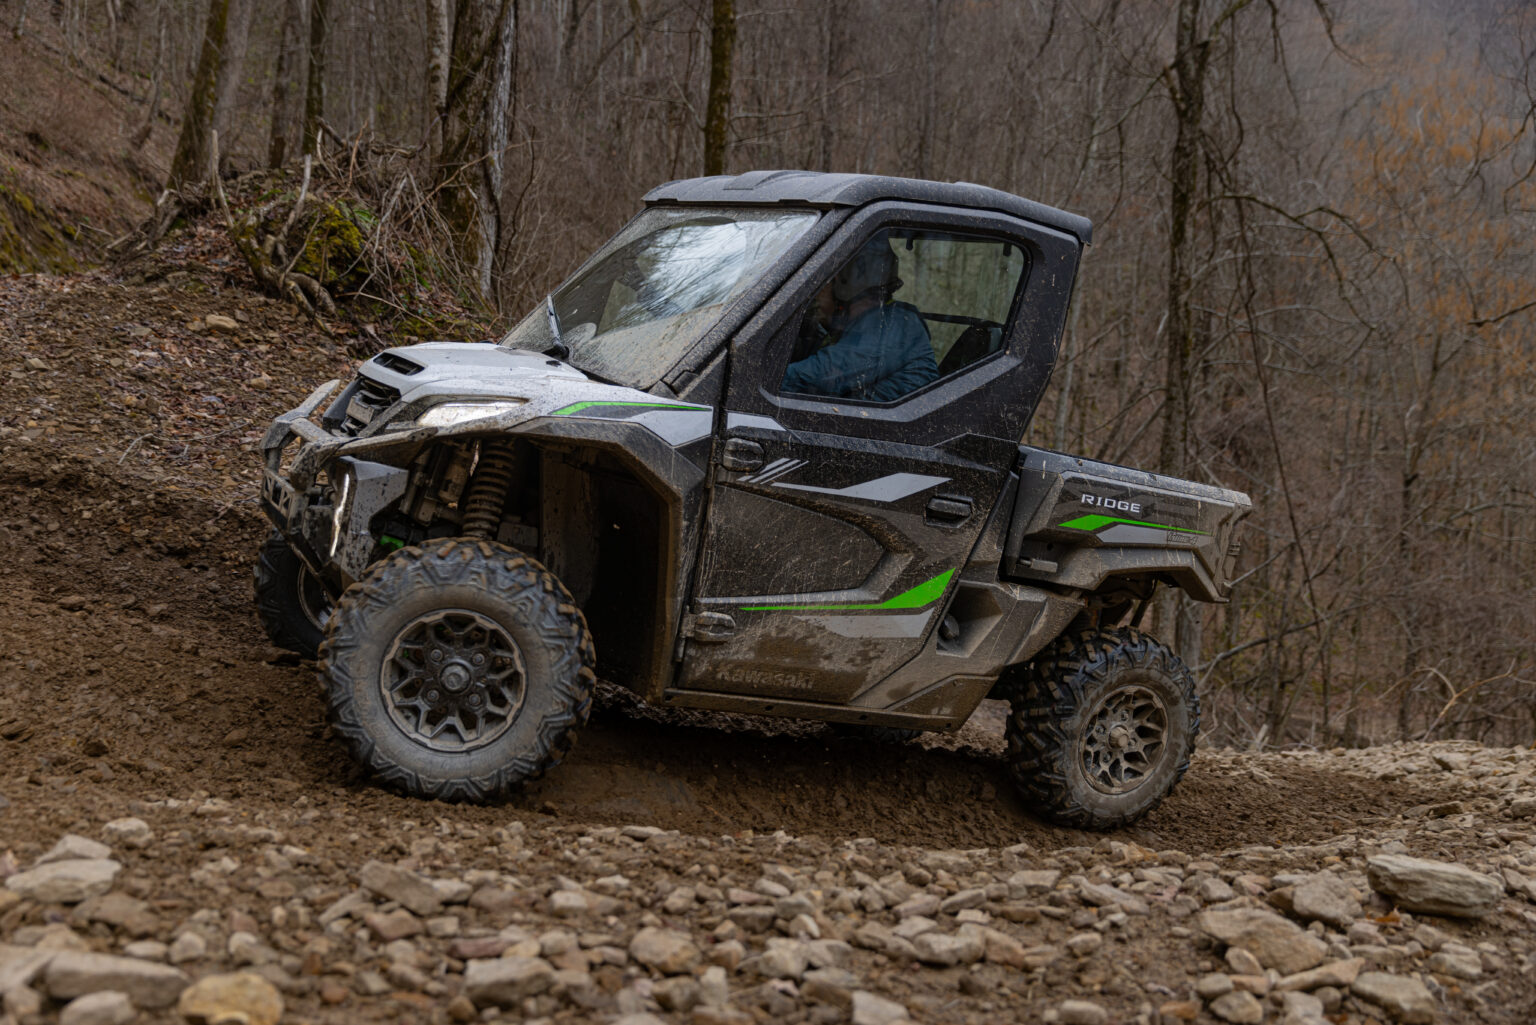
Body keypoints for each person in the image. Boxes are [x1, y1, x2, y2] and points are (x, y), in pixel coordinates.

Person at [781, 236, 938, 402]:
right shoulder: (861, 324)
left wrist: (765, 378)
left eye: (825, 283)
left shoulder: (893, 323)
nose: (817, 293)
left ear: (845, 284)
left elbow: (824, 373)